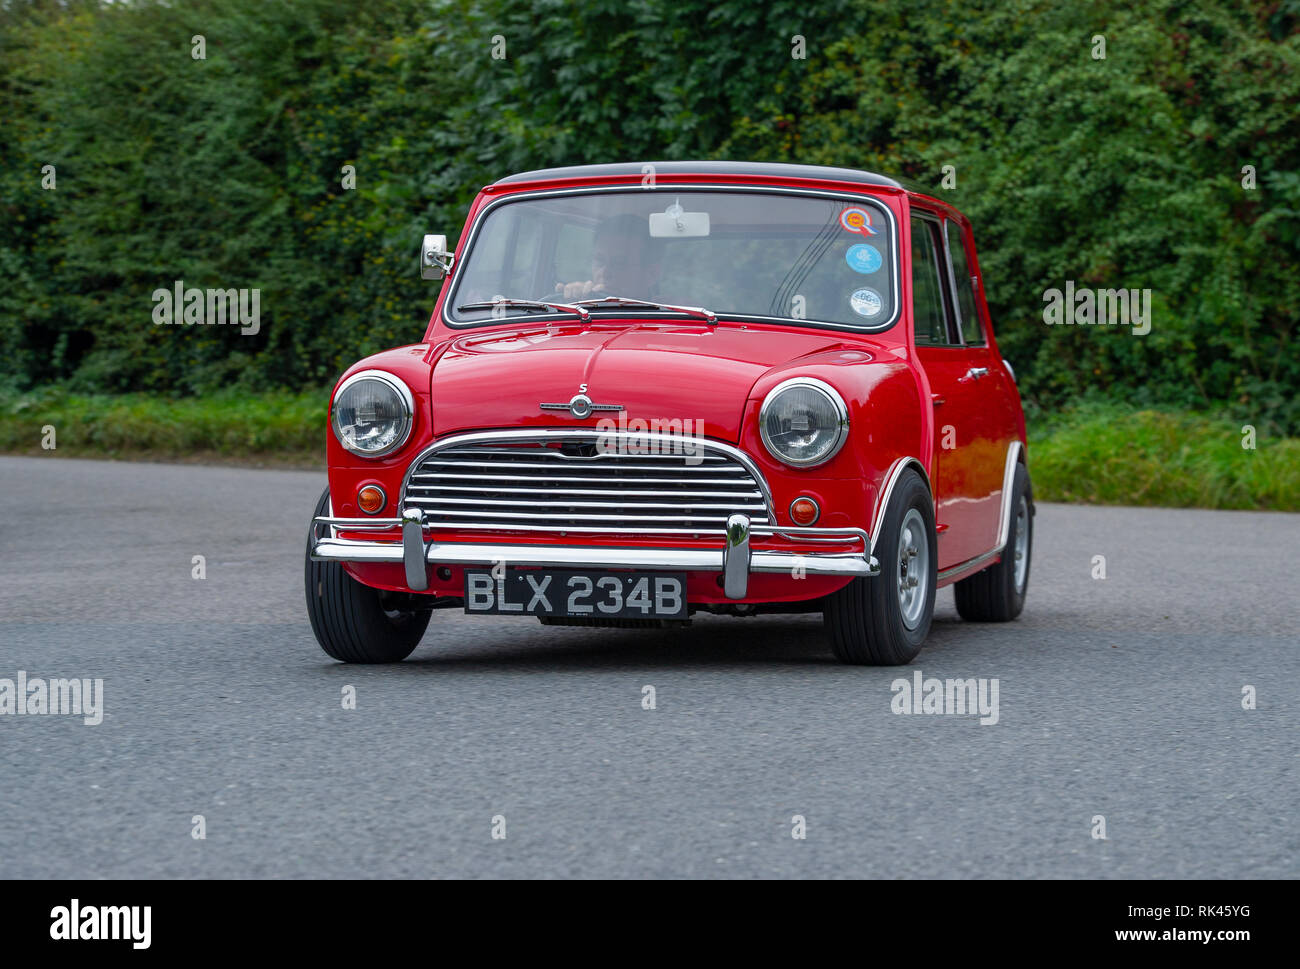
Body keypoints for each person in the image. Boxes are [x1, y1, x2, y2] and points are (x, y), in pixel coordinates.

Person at [556, 213, 663, 301]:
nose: (604, 273)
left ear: (651, 273)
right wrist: (576, 302)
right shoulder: (582, 308)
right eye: (599, 261)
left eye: (619, 263)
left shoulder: (668, 319)